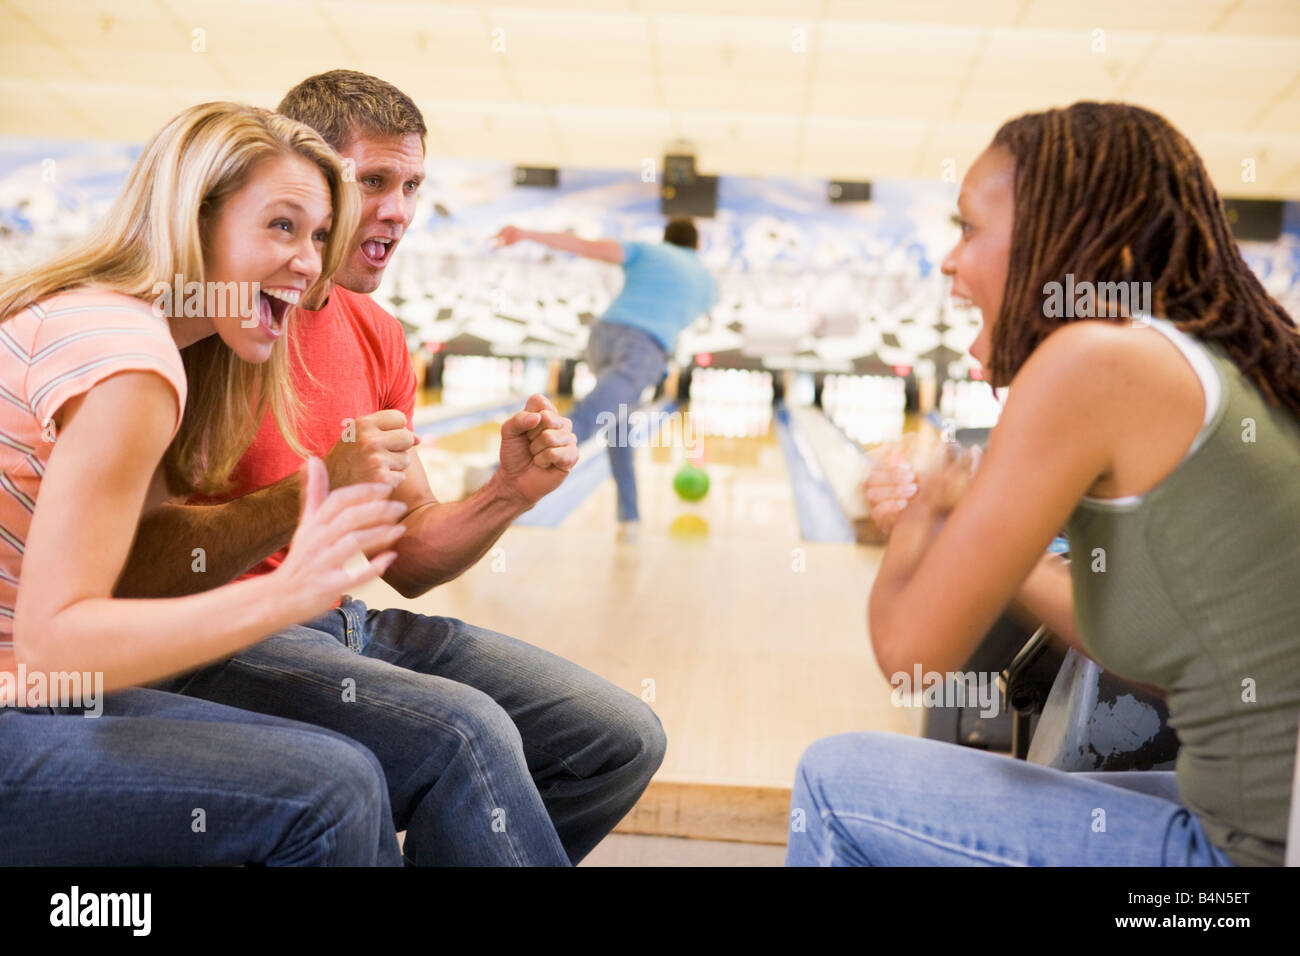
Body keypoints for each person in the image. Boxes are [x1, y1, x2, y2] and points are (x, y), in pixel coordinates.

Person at [115, 71, 667, 866]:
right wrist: (317, 488)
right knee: (466, 737)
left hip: (348, 626)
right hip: (221, 641)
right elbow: (137, 567)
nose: (399, 210)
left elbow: (409, 560)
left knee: (617, 739)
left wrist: (506, 494)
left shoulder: (376, 334)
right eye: (373, 181)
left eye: (411, 185)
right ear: (304, 174)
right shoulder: (215, 323)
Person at [787, 101, 1300, 867]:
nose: (948, 262)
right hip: (1258, 828)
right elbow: (1150, 646)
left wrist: (928, 501)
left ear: (1067, 233)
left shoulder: (1094, 362)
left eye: (967, 228)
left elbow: (910, 658)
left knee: (835, 782)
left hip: (1235, 867)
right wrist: (973, 515)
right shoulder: (1213, 363)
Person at [0, 101, 406, 865]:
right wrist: (286, 595)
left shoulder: (135, 334)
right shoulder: (130, 361)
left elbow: (108, 590)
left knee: (349, 770)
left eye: (319, 235)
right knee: (333, 789)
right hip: (23, 699)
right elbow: (54, 647)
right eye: (281, 226)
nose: (311, 263)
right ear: (194, 219)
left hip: (26, 695)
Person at [493, 218, 718, 538]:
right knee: (590, 419)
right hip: (646, 349)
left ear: (666, 238)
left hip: (603, 336)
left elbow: (585, 246)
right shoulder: (708, 284)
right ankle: (495, 476)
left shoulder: (648, 251)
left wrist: (526, 233)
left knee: (618, 428)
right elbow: (685, 314)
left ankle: (631, 517)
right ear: (696, 245)